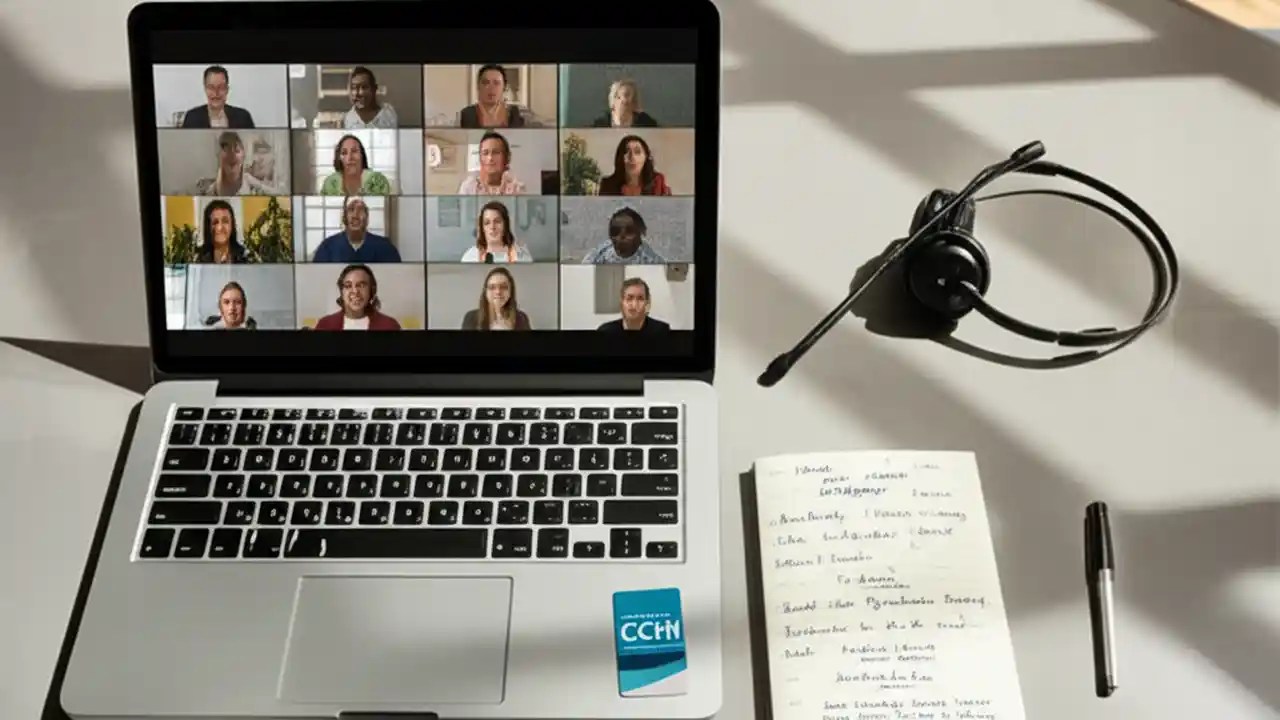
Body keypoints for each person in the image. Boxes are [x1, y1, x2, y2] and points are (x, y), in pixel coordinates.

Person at [312, 197, 401, 263]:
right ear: (344, 217)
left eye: (361, 210)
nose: (355, 215)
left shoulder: (385, 247)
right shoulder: (327, 247)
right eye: (351, 210)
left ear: (367, 217)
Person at [313, 264, 402, 330]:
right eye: (348, 286)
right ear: (341, 292)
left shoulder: (390, 326)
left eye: (361, 285)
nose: (355, 291)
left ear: (371, 290)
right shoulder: (324, 325)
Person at [194, 131, 276, 196]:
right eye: (227, 150)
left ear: (243, 156)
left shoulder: (248, 179)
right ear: (218, 156)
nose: (232, 155)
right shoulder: (210, 191)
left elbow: (273, 192)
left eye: (237, 150)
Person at [582, 207, 666, 264]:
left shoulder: (650, 259)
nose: (621, 238)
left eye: (629, 232)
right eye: (615, 232)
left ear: (639, 235)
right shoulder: (600, 255)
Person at [181, 65, 256, 129]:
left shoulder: (243, 117)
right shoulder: (192, 117)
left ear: (227, 89)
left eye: (221, 87)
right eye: (211, 87)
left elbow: (254, 144)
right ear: (205, 89)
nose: (216, 93)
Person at [597, 135, 672, 196]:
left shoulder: (658, 182)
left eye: (637, 152)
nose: (632, 157)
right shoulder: (608, 185)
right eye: (626, 152)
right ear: (620, 158)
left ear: (646, 157)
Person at [460, 267, 531, 330]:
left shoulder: (521, 318)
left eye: (503, 287)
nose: (498, 292)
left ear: (511, 291)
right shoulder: (471, 318)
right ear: (485, 292)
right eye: (492, 287)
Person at [320, 134, 393, 195]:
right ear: (339, 158)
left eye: (354, 151)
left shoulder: (377, 181)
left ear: (362, 155)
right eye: (344, 153)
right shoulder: (330, 182)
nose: (350, 157)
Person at [457, 131, 526, 195]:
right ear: (480, 158)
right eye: (485, 153)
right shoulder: (468, 187)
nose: (490, 158)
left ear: (507, 157)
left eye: (496, 152)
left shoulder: (517, 188)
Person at [460, 201, 531, 263]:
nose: (492, 227)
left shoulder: (522, 257)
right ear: (482, 228)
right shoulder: (470, 256)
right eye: (487, 223)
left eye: (497, 221)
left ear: (506, 224)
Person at [459, 65, 525, 128]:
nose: (491, 88)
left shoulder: (521, 114)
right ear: (478, 86)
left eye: (496, 83)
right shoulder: (464, 114)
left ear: (504, 87)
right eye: (485, 83)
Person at [597, 277, 670, 333]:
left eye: (640, 299)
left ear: (647, 303)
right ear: (622, 302)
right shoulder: (605, 331)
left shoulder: (662, 331)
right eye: (629, 298)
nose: (634, 305)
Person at [591, 79, 658, 128]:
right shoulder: (601, 124)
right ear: (614, 99)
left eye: (633, 96)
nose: (630, 100)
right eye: (626, 95)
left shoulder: (646, 122)